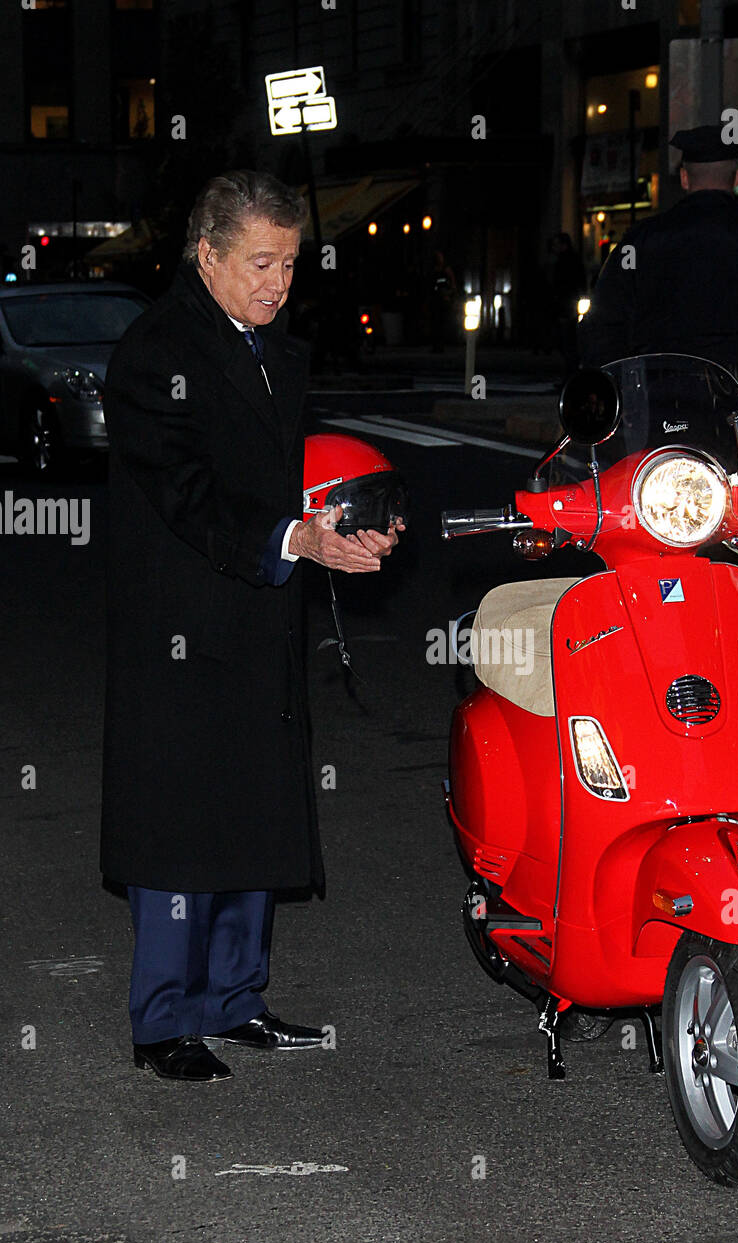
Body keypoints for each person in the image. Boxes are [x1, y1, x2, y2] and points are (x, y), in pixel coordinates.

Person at [100, 170, 402, 1082]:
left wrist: (348, 523)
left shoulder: (279, 350)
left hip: (260, 608)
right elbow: (189, 500)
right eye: (260, 263)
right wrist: (293, 538)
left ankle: (235, 1001)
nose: (278, 282)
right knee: (181, 822)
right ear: (207, 255)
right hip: (182, 621)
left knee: (253, 808)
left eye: (291, 263)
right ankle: (163, 1023)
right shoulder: (155, 353)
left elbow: (293, 483)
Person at [579, 124, 738, 423]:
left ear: (684, 177)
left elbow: (602, 326)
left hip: (659, 400)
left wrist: (623, 392)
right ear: (737, 176)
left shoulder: (640, 241)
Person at [550, 232, 588, 377]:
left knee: (567, 343)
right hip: (569, 304)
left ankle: (571, 374)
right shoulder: (572, 260)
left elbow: (563, 286)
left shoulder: (565, 262)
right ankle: (571, 373)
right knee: (568, 342)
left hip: (566, 305)